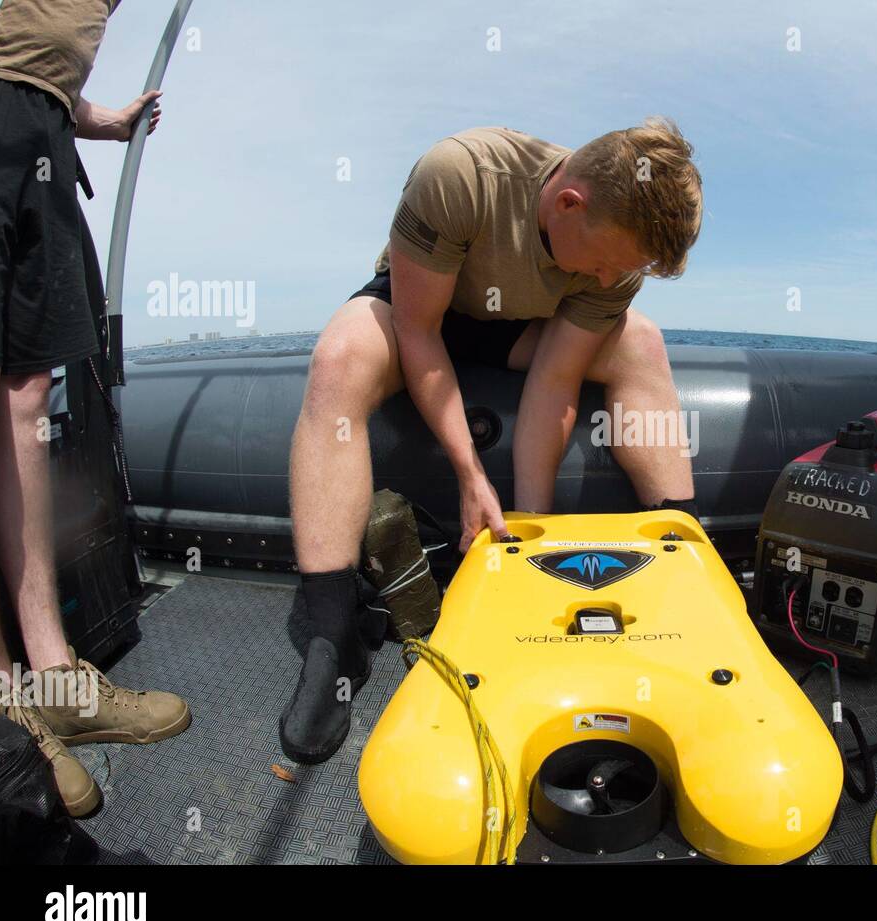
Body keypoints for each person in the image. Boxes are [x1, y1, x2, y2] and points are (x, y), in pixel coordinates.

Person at [281, 120, 703, 763]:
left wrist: (529, 531)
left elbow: (555, 377)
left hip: (511, 326)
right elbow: (419, 332)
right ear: (569, 204)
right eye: (605, 262)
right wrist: (471, 477)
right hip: (419, 308)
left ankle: (685, 576)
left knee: (641, 340)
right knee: (338, 359)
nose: (608, 276)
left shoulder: (619, 260)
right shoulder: (460, 174)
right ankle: (332, 636)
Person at [0, 0, 190, 817]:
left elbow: (29, 41)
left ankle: (54, 675)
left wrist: (90, 117)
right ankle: (5, 703)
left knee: (27, 387)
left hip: (34, 123)